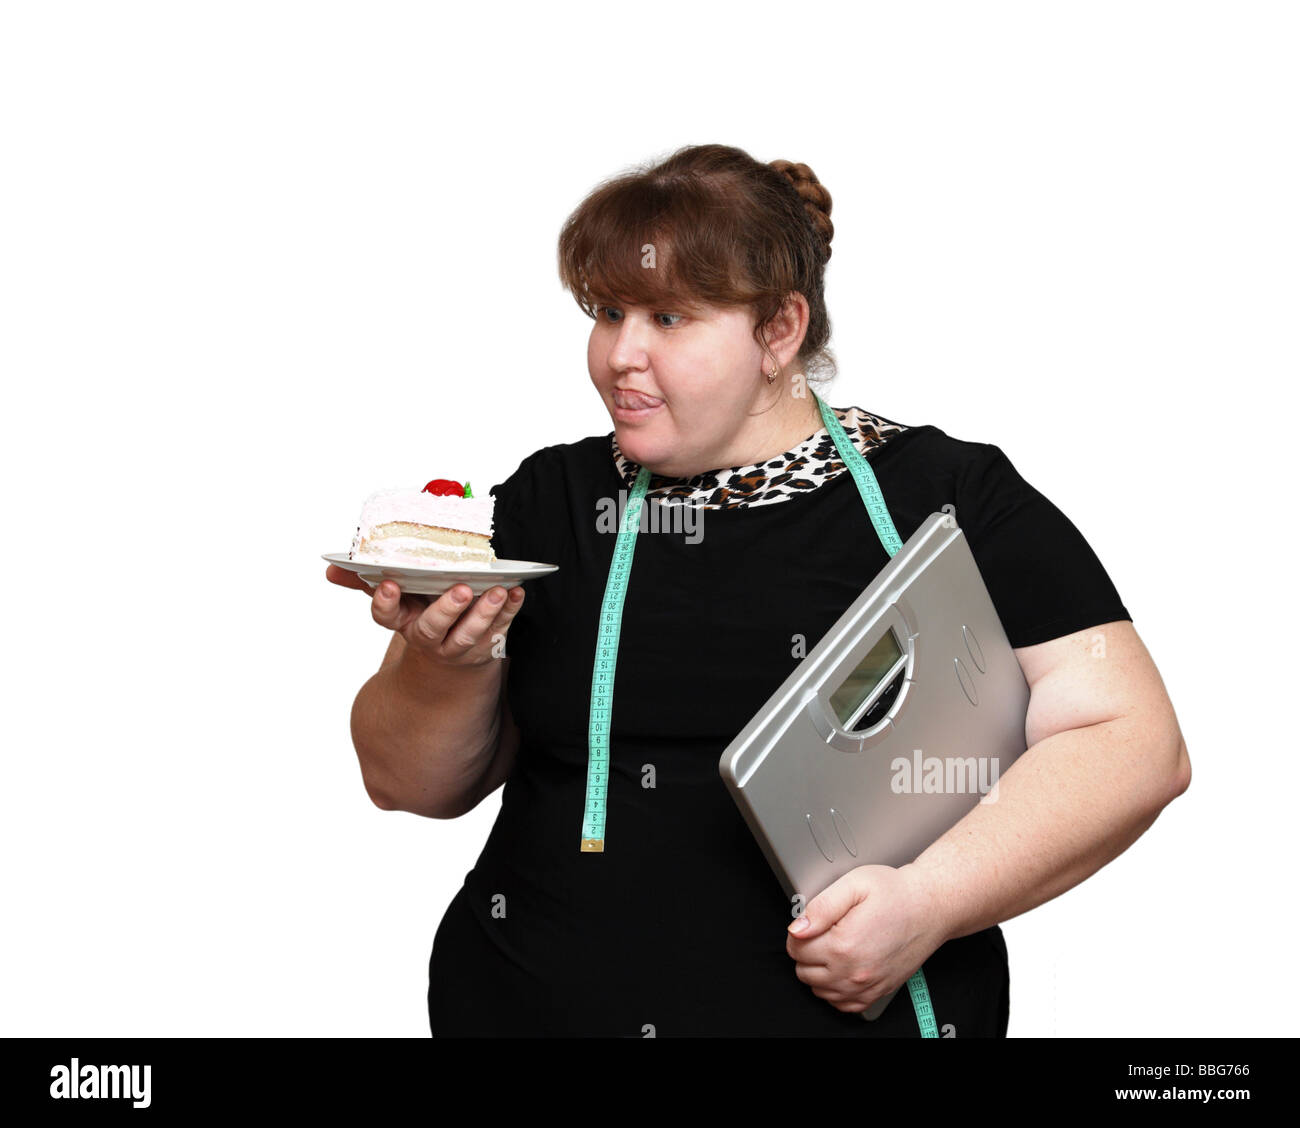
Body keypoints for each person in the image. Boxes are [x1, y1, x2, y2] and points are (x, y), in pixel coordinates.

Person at [326, 144, 1191, 1037]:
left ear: (779, 331)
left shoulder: (941, 496)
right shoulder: (548, 504)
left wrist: (929, 901)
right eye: (607, 311)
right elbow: (405, 783)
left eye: (668, 317)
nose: (620, 353)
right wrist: (445, 665)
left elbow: (1133, 741)